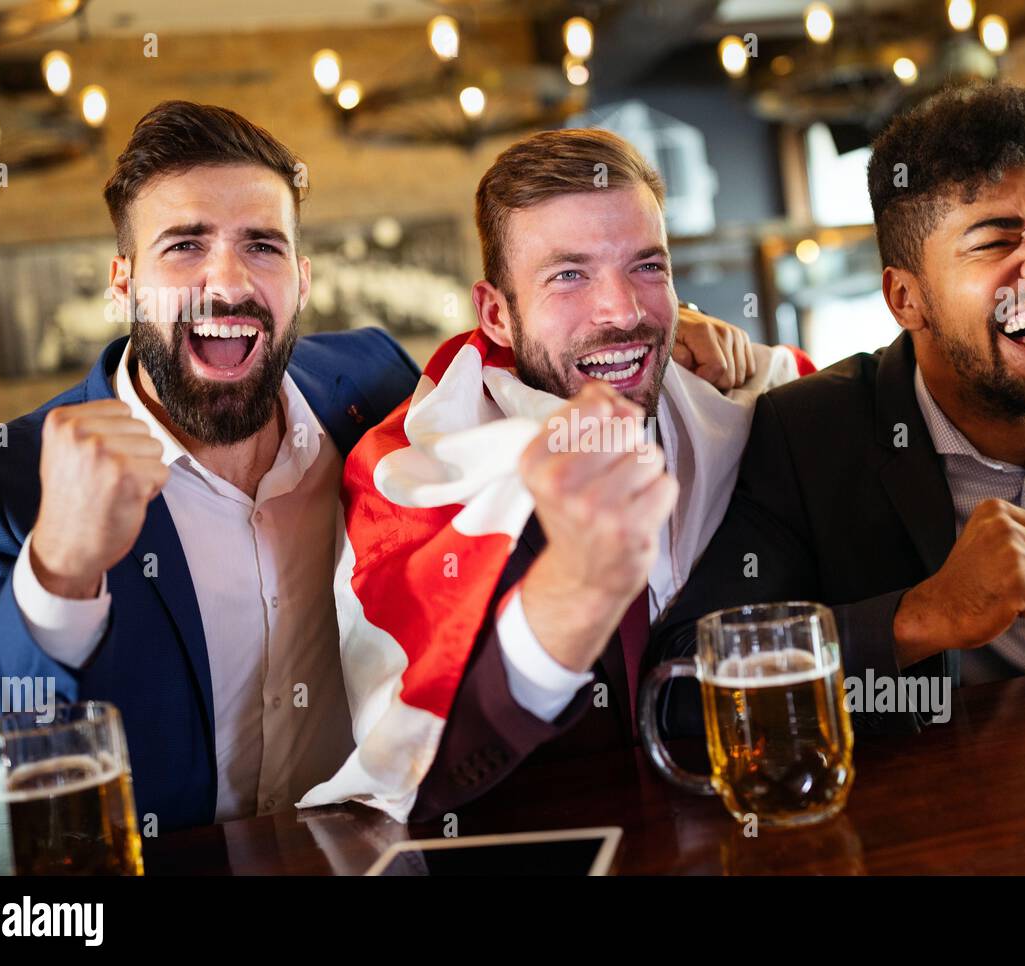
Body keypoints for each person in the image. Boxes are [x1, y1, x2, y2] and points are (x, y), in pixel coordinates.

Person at [650, 83, 1025, 736]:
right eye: (996, 241)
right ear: (905, 298)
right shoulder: (809, 437)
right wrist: (918, 617)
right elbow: (682, 690)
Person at [299, 128, 816, 821]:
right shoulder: (421, 474)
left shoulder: (748, 409)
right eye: (568, 275)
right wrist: (568, 600)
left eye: (647, 268)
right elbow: (414, 772)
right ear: (496, 315)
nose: (623, 311)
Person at [0, 101, 421, 837]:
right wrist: (58, 571)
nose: (228, 284)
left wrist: (667, 338)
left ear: (301, 280)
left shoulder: (377, 385)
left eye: (262, 246)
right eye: (184, 246)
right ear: (122, 284)